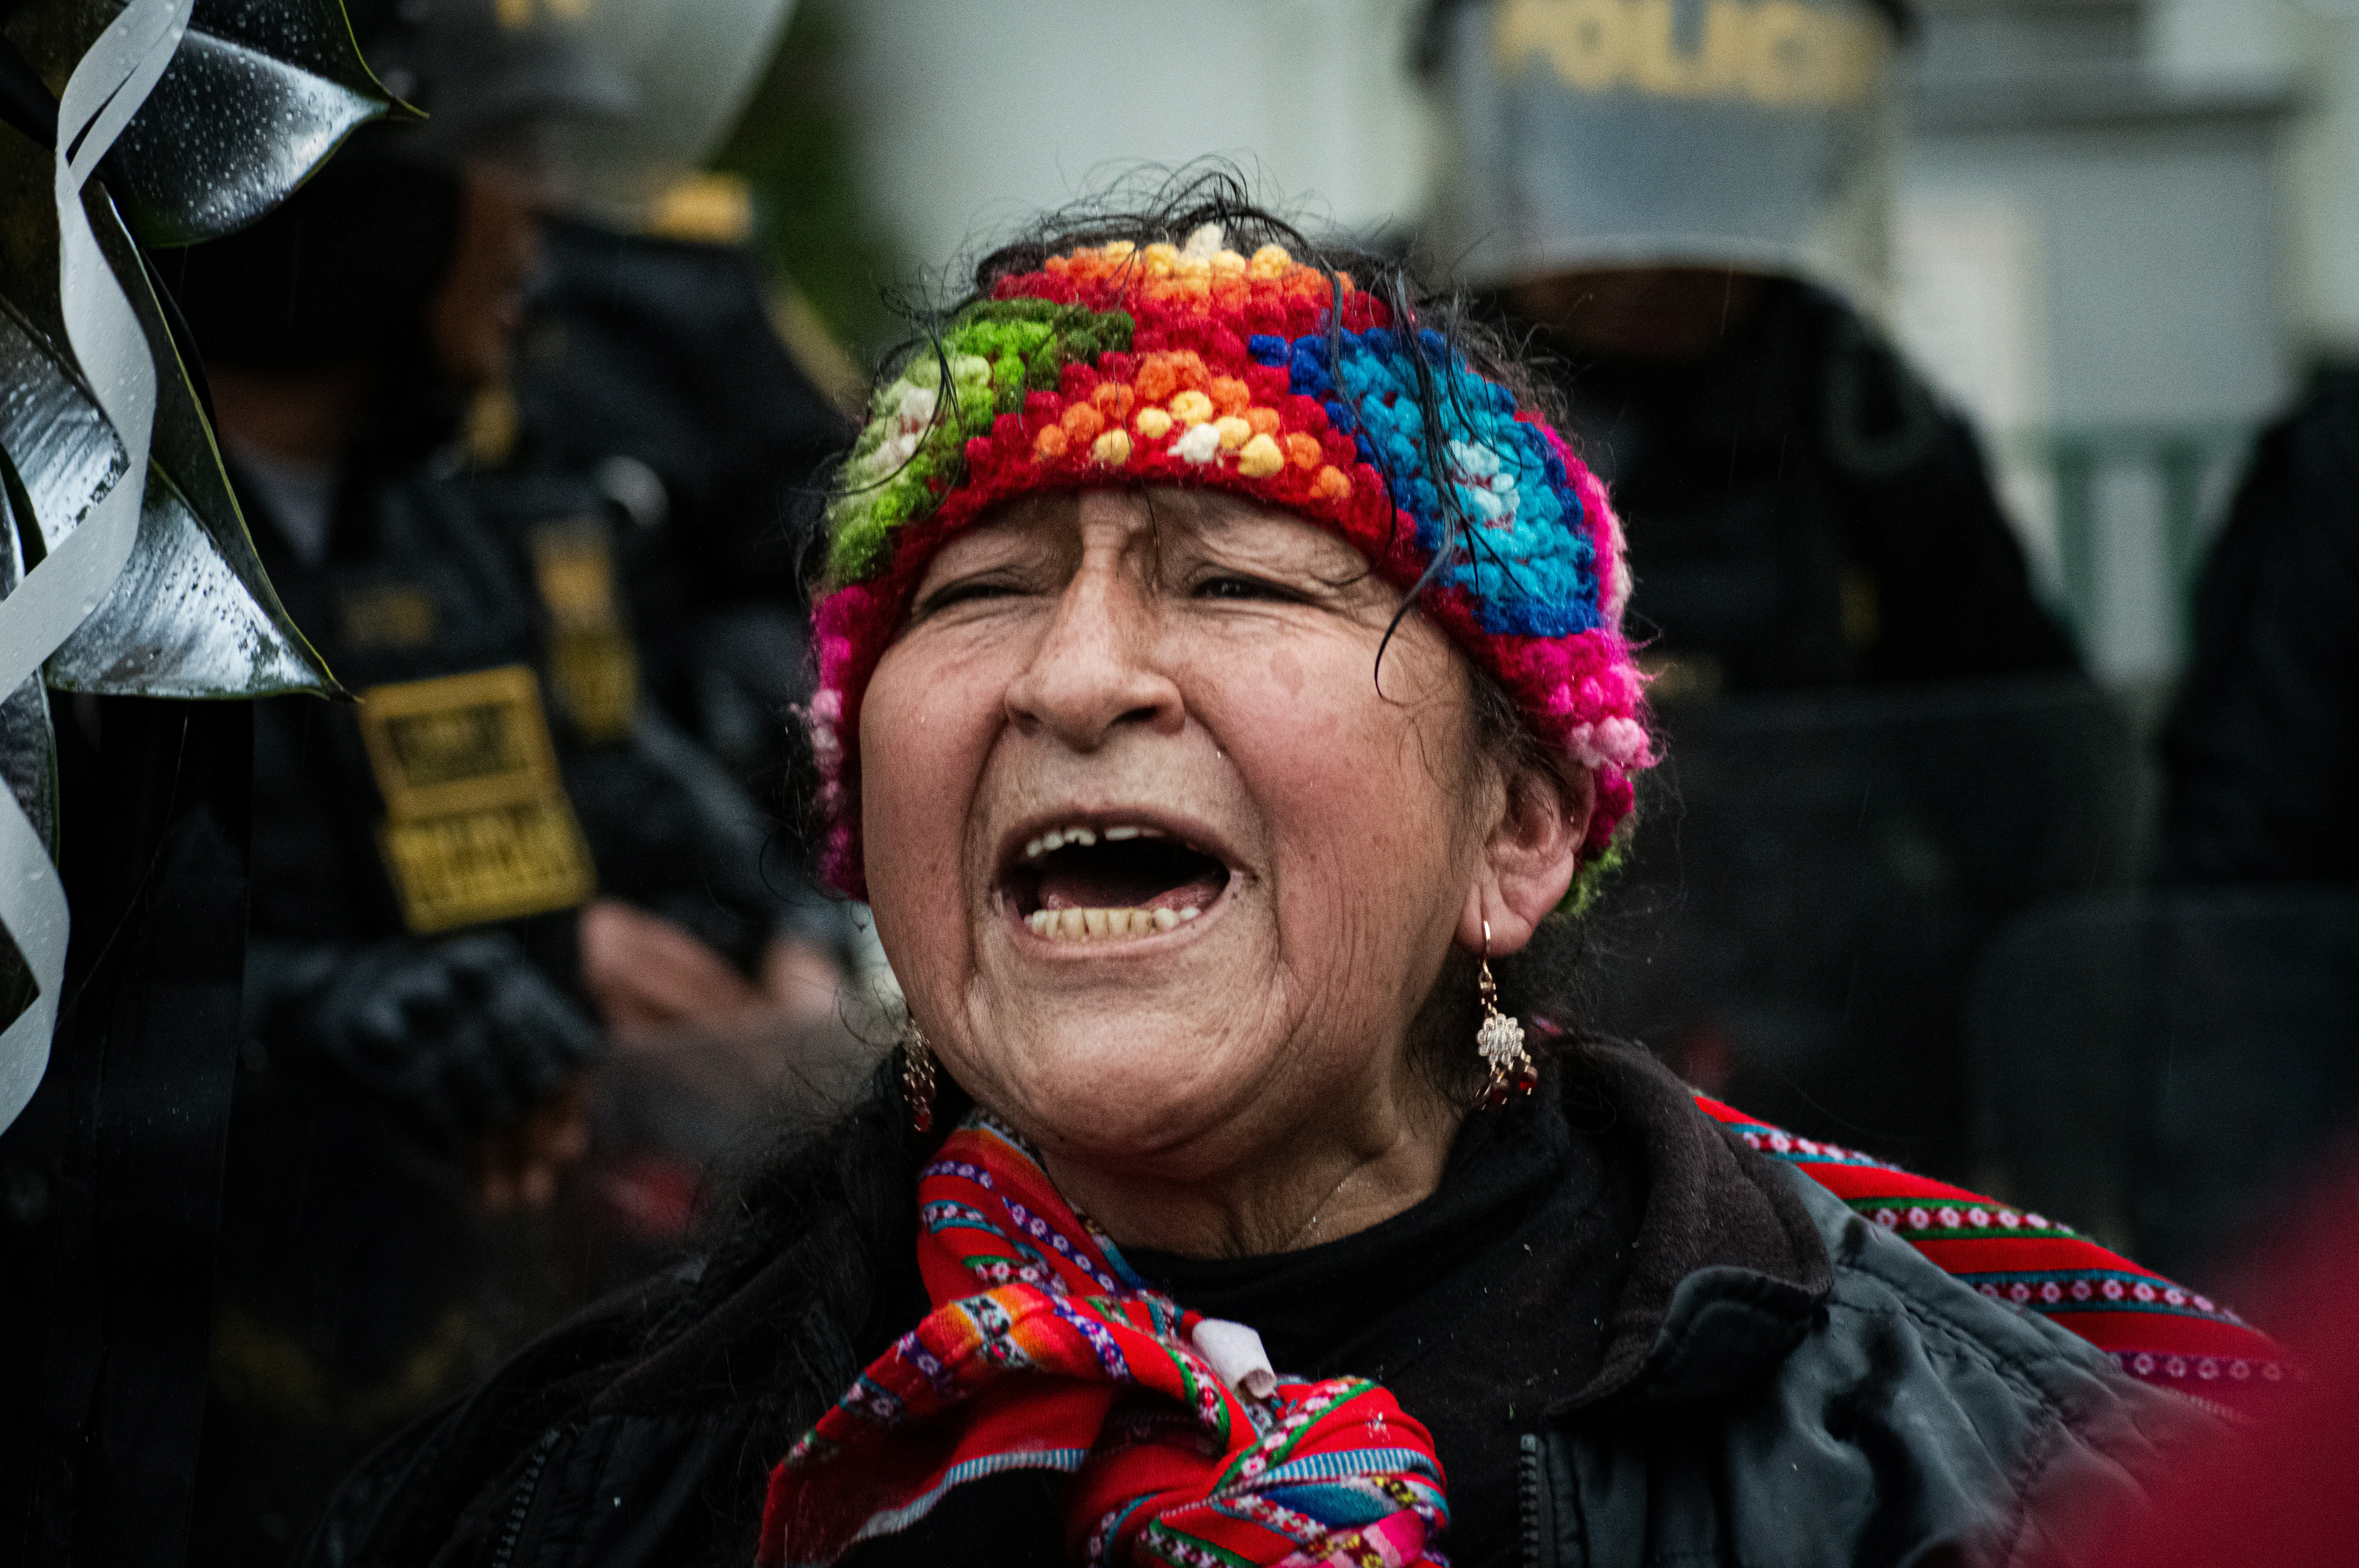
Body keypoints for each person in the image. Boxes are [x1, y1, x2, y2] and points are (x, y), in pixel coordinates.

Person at [306, 192, 2268, 1568]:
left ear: (1518, 831)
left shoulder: (1967, 1475)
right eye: (978, 595)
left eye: (1232, 582)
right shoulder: (580, 1480)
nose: (1075, 676)